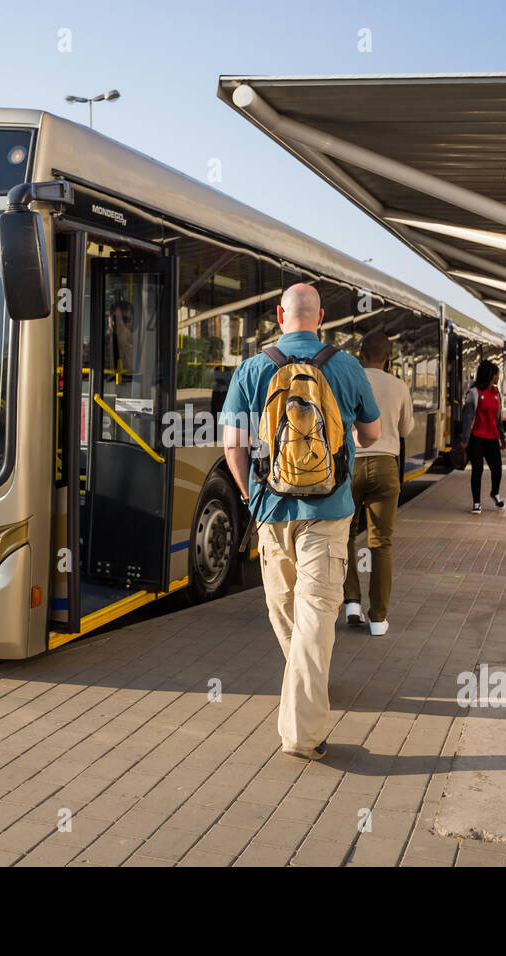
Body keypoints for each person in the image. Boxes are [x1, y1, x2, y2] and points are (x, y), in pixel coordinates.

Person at [220, 284, 380, 761]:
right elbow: (370, 435)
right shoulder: (347, 366)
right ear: (321, 317)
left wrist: (252, 495)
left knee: (286, 610)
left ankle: (302, 720)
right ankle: (304, 717)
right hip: (329, 513)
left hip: (270, 513)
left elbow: (233, 446)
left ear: (279, 315)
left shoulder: (252, 367)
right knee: (315, 614)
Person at [343, 330, 414, 636]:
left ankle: (352, 603)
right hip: (386, 466)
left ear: (361, 354)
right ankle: (378, 620)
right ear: (389, 358)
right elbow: (405, 428)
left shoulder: (349, 380)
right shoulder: (399, 385)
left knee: (344, 535)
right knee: (380, 544)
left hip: (350, 465)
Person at [457, 359, 506, 516]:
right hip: (476, 438)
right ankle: (476, 503)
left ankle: (495, 492)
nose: (498, 378)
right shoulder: (474, 394)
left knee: (497, 468)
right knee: (477, 470)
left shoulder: (496, 393)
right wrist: (465, 439)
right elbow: (467, 417)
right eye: (496, 375)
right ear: (490, 375)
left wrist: (502, 436)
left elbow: (498, 418)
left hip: (492, 438)